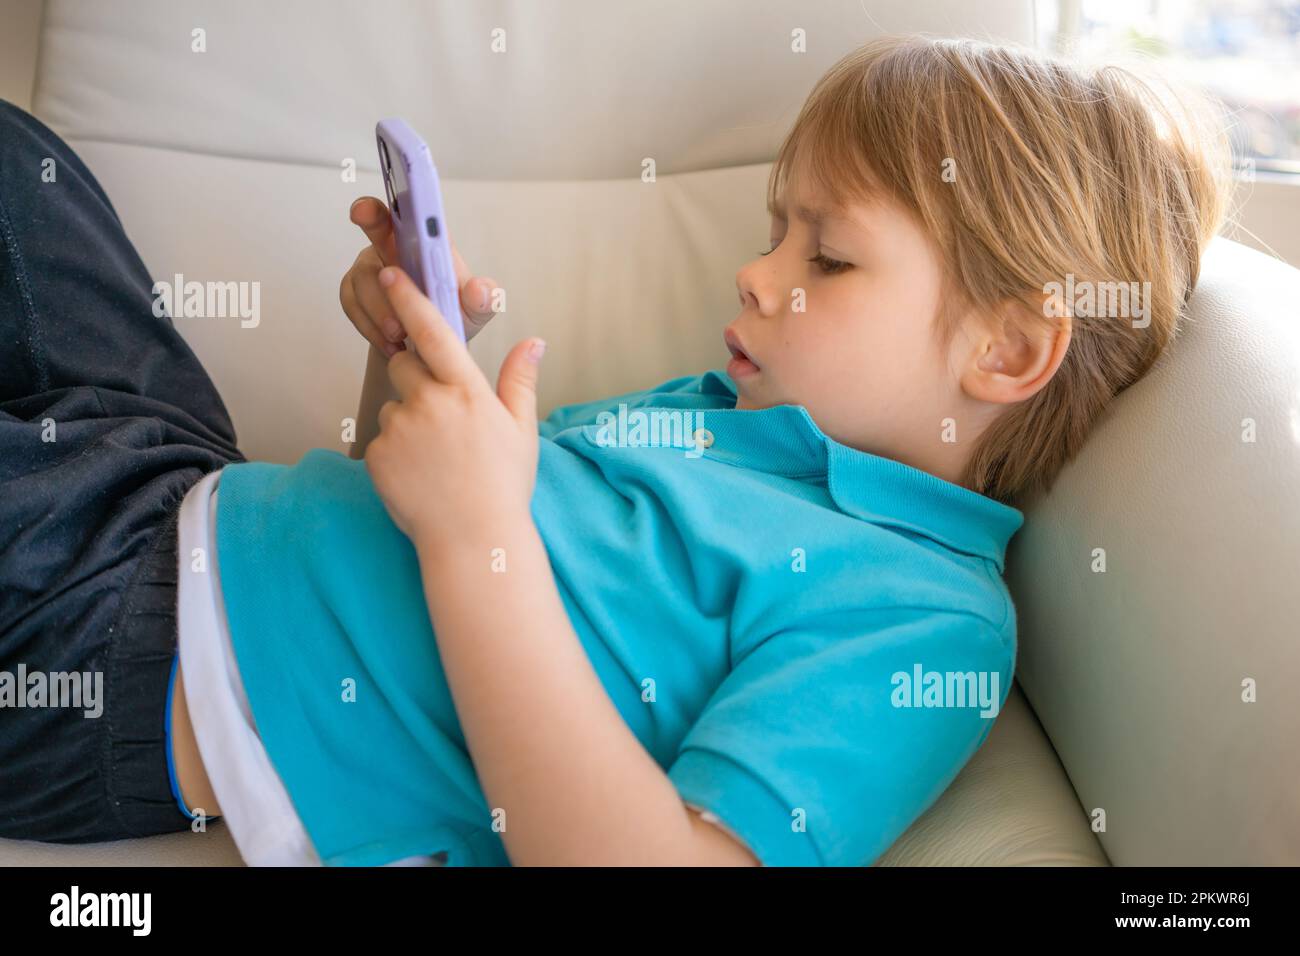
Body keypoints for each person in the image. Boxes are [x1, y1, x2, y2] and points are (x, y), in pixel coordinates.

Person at [0, 34, 1230, 865]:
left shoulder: (921, 617)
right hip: (180, 486)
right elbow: (399, 526)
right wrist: (410, 366)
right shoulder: (717, 416)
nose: (755, 272)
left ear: (1007, 353)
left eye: (826, 256)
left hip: (122, 652)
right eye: (772, 230)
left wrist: (479, 529)